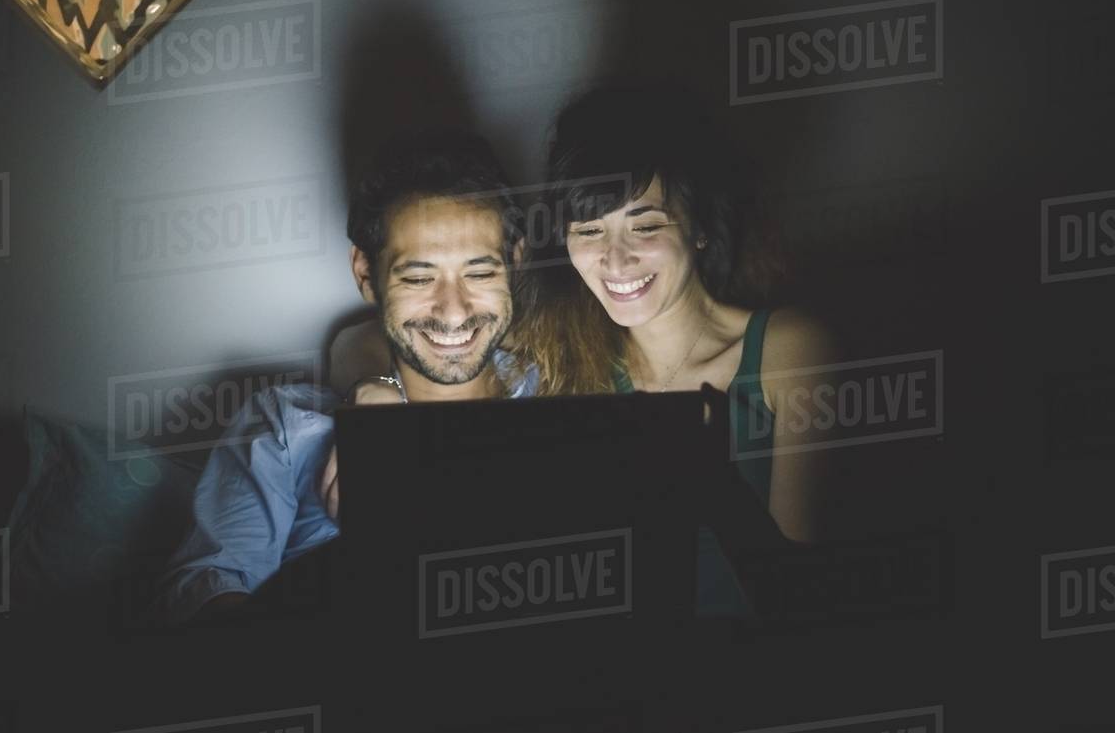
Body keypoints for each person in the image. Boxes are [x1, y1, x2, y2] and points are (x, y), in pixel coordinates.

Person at [157, 129, 537, 624]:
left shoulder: (564, 388)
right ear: (366, 274)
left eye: (480, 273)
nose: (453, 311)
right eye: (419, 277)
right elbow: (202, 591)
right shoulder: (286, 429)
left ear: (516, 262)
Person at [510, 85, 838, 615]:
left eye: (645, 225)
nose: (615, 261)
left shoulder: (789, 349)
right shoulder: (570, 368)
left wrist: (714, 485)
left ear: (701, 227)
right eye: (590, 229)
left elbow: (805, 599)